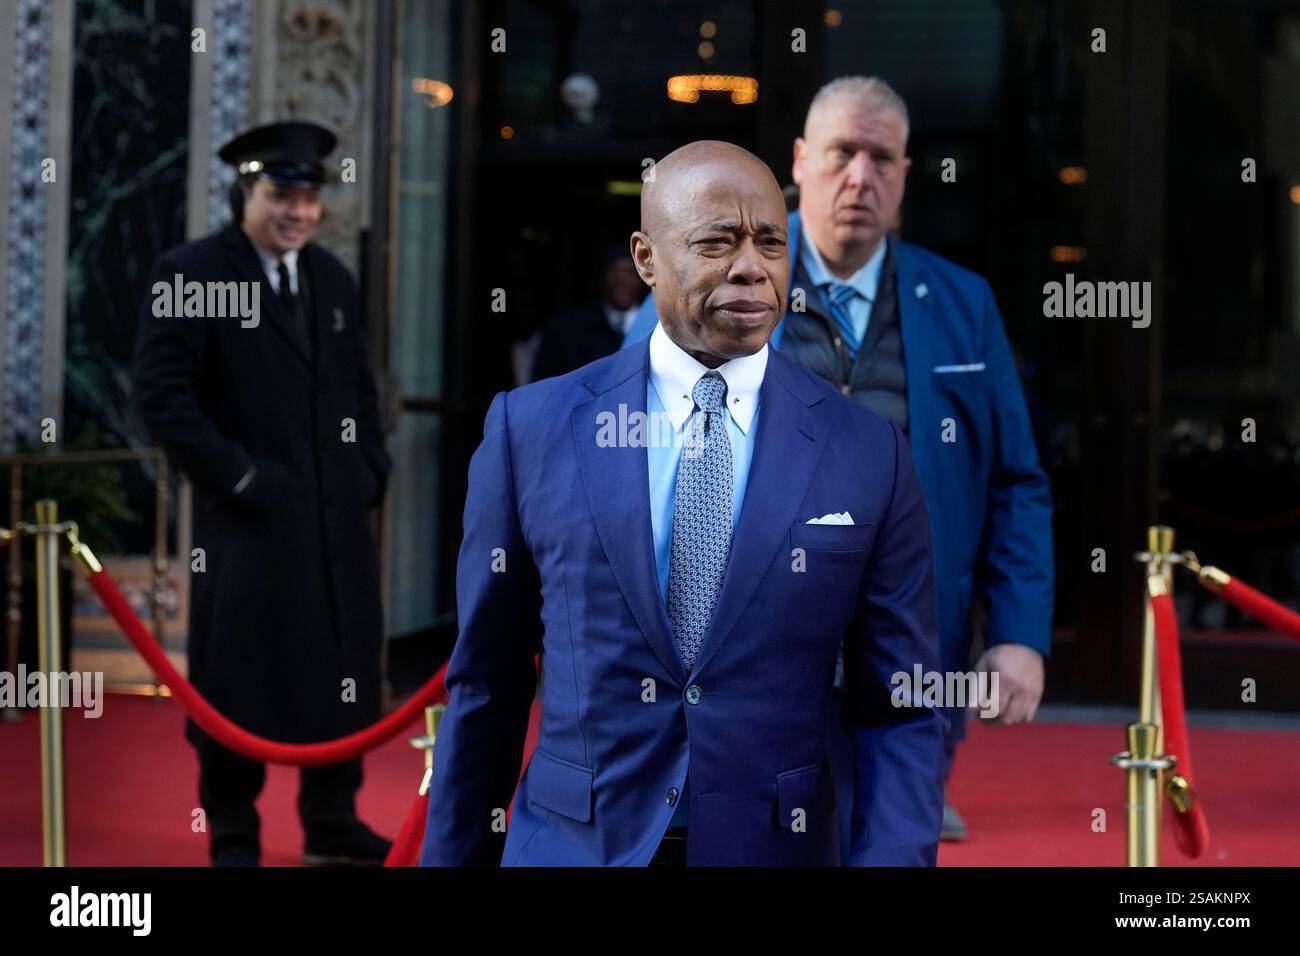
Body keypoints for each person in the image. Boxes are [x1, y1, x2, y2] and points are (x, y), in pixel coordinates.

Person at [420, 141, 945, 867]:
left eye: (770, 241)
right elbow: (487, 686)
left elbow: (901, 708)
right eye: (716, 242)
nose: (751, 267)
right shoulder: (530, 431)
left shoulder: (868, 451)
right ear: (645, 258)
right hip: (577, 846)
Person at [622, 77, 1055, 844]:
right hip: (752, 645)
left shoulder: (962, 304)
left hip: (916, 640)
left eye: (882, 157)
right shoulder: (715, 278)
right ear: (800, 160)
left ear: (906, 175)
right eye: (841, 153)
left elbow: (1017, 481)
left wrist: (1018, 631)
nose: (861, 177)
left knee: (893, 835)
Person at [131, 121, 392, 866]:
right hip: (245, 527)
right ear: (247, 190)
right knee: (237, 678)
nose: (299, 212)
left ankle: (332, 819)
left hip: (338, 524)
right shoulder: (193, 273)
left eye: (310, 197)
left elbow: (358, 389)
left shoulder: (332, 278)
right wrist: (240, 476)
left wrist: (370, 468)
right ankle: (234, 834)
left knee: (340, 668)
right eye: (282, 194)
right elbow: (161, 397)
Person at [531, 249, 646, 381]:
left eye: (630, 272)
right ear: (602, 277)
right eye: (614, 271)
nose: (621, 281)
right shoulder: (568, 330)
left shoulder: (657, 328)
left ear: (644, 278)